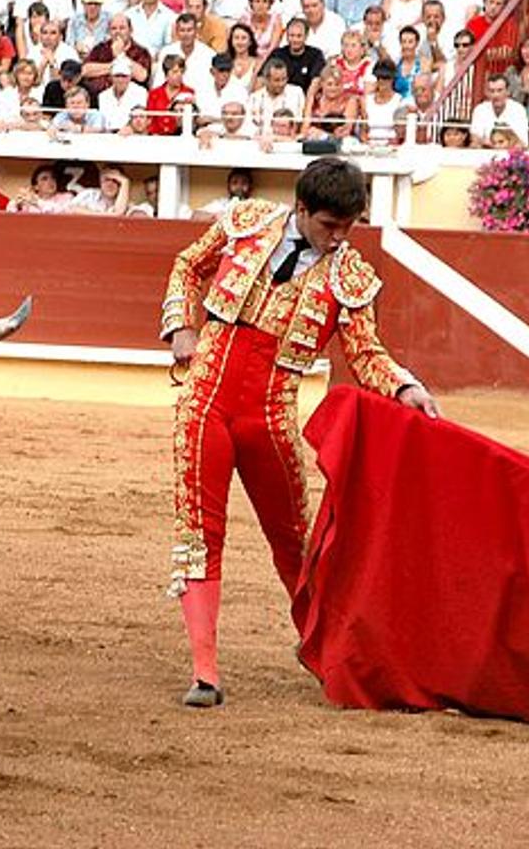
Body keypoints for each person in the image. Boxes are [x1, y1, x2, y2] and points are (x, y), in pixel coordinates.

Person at [162, 156, 438, 708]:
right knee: (199, 532)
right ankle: (206, 672)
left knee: (293, 540)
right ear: (302, 208)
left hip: (271, 412)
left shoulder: (351, 276)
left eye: (349, 226)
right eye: (329, 226)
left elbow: (365, 351)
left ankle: (326, 655)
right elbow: (188, 264)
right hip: (206, 398)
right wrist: (180, 324)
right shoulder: (245, 220)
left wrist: (403, 386)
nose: (339, 238)